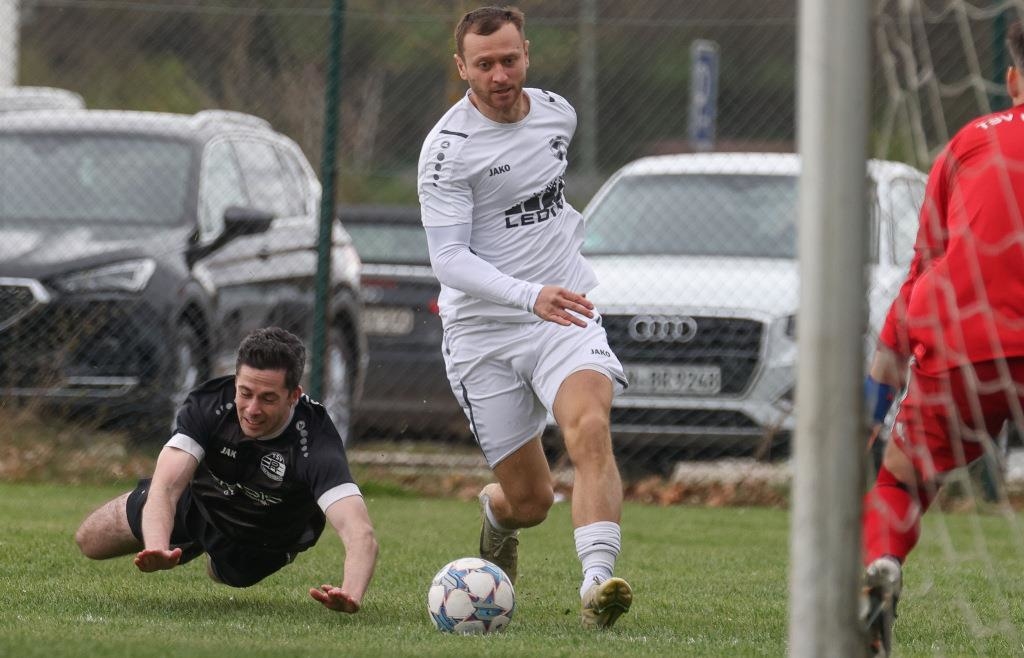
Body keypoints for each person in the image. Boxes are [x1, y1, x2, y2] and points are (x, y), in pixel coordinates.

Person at [417, 5, 632, 630]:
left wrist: (547, 288)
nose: (500, 74)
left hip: (562, 313)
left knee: (588, 426)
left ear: (527, 54)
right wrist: (524, 291)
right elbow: (449, 257)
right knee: (530, 501)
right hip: (482, 333)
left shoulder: (559, 112)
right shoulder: (448, 150)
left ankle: (598, 585)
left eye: (509, 60)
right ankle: (495, 513)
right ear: (463, 68)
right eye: (484, 64)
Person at [859, 21, 1024, 656]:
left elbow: (927, 262)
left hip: (961, 340)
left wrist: (880, 388)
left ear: (1009, 79)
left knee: (900, 479)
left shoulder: (968, 142)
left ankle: (883, 564)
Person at [74, 327, 378, 613]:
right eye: (245, 393)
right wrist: (158, 547)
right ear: (235, 382)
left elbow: (358, 531)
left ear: (293, 396)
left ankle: (211, 553)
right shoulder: (210, 403)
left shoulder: (315, 443)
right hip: (198, 502)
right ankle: (187, 541)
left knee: (223, 574)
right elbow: (167, 487)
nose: (252, 409)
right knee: (90, 540)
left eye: (268, 398)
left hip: (260, 540)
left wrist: (351, 593)